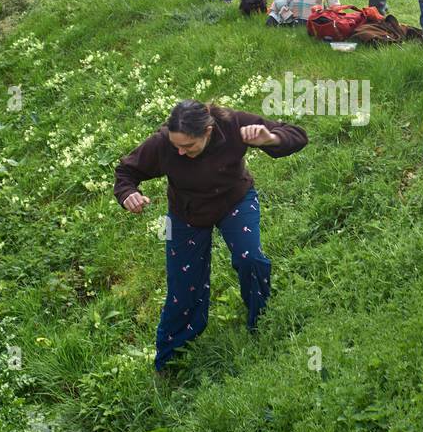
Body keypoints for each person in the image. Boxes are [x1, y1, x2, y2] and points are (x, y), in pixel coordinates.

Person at [114, 99, 308, 371]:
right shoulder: (162, 143)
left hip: (234, 201)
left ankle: (261, 320)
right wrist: (128, 194)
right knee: (182, 288)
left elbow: (298, 135)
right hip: (187, 214)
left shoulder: (233, 125)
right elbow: (126, 171)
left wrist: (271, 138)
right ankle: (171, 358)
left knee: (250, 258)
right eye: (176, 146)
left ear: (207, 131)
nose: (180, 152)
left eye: (188, 146)